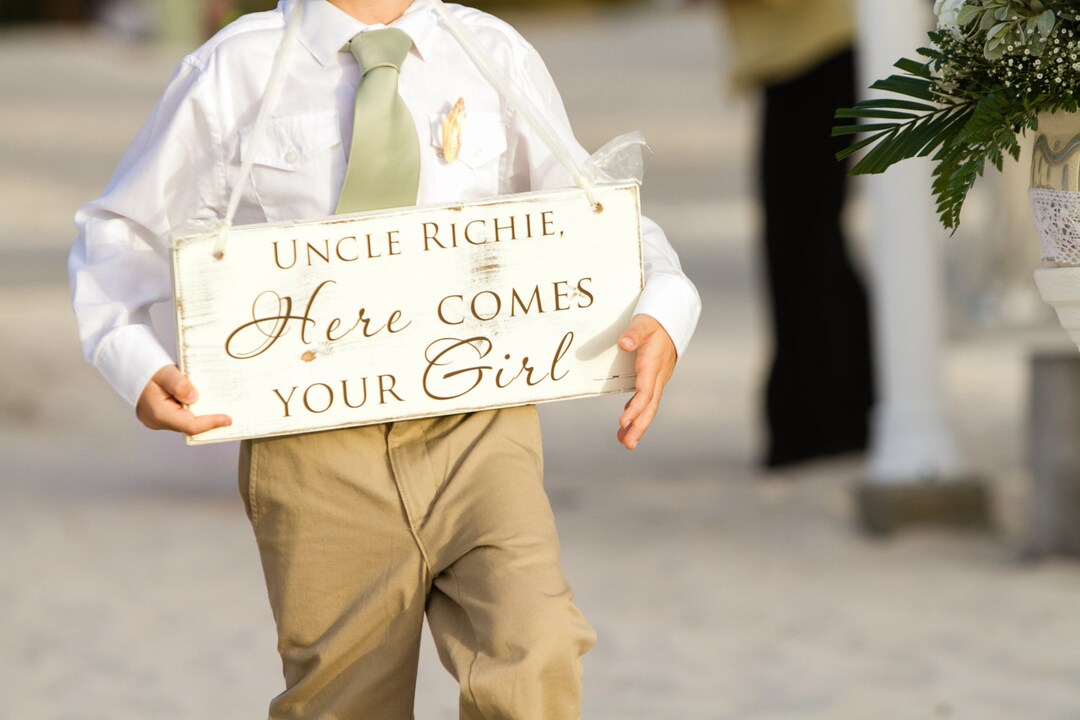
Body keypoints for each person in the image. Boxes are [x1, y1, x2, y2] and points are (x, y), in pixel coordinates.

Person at [68, 0, 700, 717]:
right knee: (345, 695)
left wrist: (664, 302)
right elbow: (120, 231)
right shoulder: (233, 68)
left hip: (479, 426)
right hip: (311, 452)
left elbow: (586, 206)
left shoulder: (491, 51)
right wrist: (135, 361)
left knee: (536, 646)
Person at [719, 0, 875, 467]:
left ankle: (827, 424)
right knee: (806, 240)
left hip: (816, 55)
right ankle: (835, 417)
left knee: (803, 243)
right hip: (804, 58)